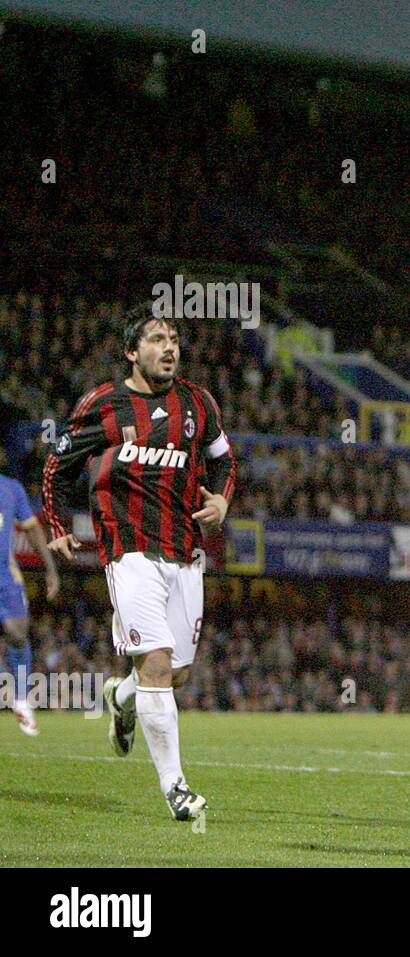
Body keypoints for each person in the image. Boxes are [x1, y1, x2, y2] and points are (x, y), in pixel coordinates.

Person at [43, 308, 236, 820]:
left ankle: (121, 698)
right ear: (132, 352)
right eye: (156, 339)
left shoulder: (198, 402)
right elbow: (58, 467)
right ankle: (175, 789)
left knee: (175, 674)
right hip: (128, 553)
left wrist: (221, 500)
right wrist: (59, 528)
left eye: (173, 339)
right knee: (154, 662)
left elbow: (223, 460)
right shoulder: (105, 405)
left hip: (185, 552)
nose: (169, 347)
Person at [0, 458, 60, 735]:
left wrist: (50, 569)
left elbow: (33, 529)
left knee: (18, 633)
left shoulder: (11, 488)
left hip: (4, 575)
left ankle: (22, 700)